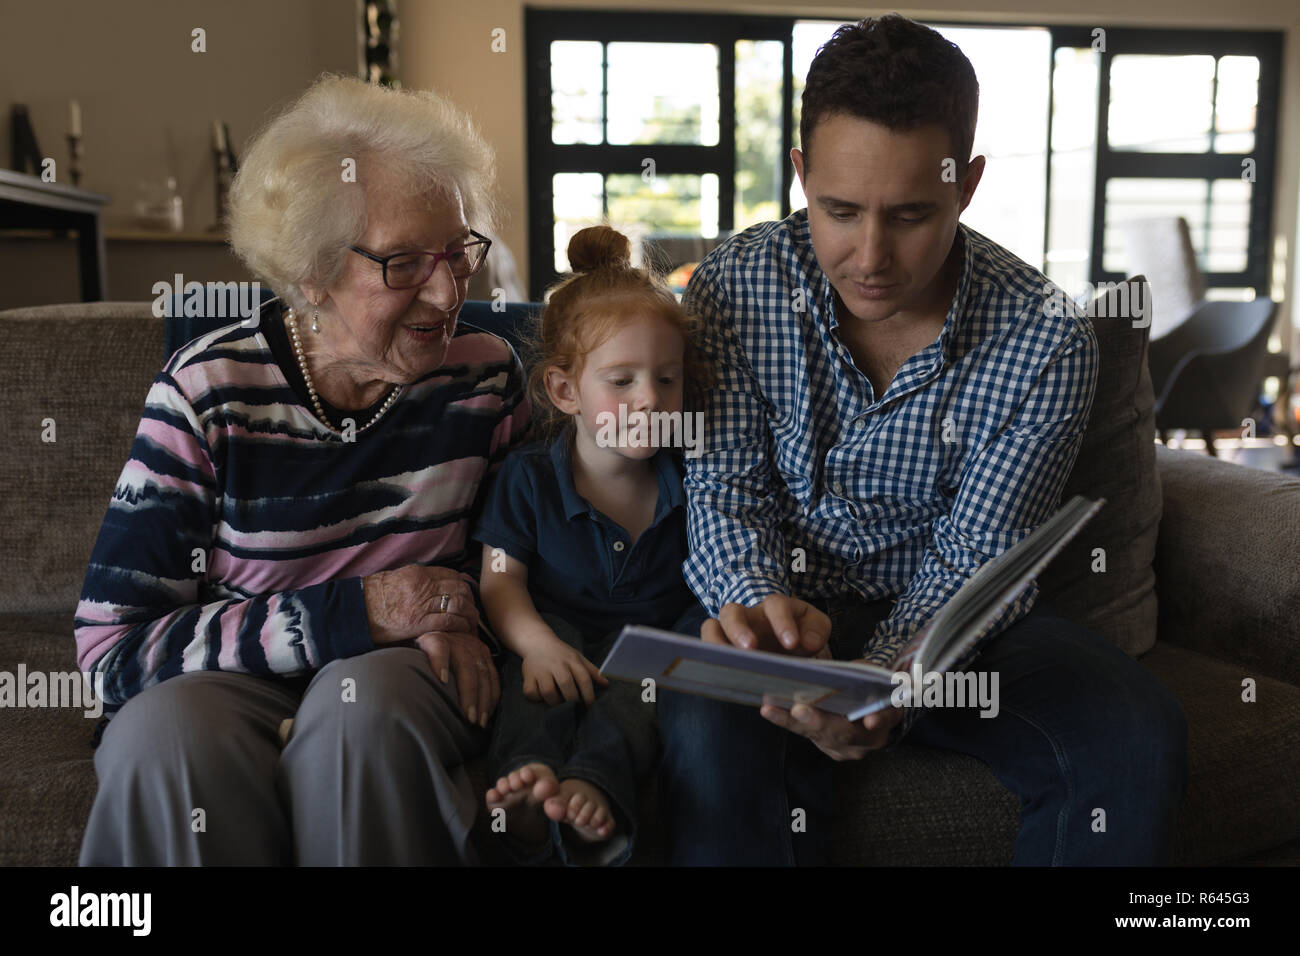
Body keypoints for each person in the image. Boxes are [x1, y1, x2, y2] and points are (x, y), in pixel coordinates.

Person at [660, 14, 1188, 865]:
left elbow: (978, 557)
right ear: (799, 175)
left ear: (967, 184)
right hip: (783, 611)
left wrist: (891, 681)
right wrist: (758, 606)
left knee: (1137, 727)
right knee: (698, 713)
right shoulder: (732, 283)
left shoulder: (1044, 338)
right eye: (838, 211)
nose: (870, 256)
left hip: (959, 627)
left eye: (910, 214)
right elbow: (727, 492)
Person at [73, 75, 529, 865]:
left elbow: (529, 557)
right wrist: (355, 612)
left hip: (402, 671)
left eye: (460, 252)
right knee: (163, 737)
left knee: (362, 715)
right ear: (313, 275)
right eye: (407, 262)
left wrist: (464, 614)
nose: (452, 291)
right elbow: (112, 653)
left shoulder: (484, 377)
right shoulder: (207, 391)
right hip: (232, 674)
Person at [471, 226, 704, 865]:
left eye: (666, 379)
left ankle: (589, 786)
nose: (650, 400)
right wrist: (538, 643)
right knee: (537, 679)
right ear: (566, 391)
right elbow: (499, 579)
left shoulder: (692, 477)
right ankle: (527, 787)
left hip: (643, 653)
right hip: (555, 639)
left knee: (643, 691)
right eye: (621, 381)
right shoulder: (529, 479)